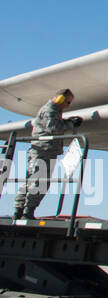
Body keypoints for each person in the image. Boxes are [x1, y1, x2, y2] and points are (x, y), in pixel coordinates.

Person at [14, 89, 82, 219]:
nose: (67, 105)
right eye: (67, 102)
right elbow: (53, 128)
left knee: (33, 180)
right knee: (39, 182)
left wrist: (67, 121)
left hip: (45, 150)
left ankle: (21, 210)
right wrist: (70, 123)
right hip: (43, 150)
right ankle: (26, 211)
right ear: (61, 99)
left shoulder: (54, 111)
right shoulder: (49, 110)